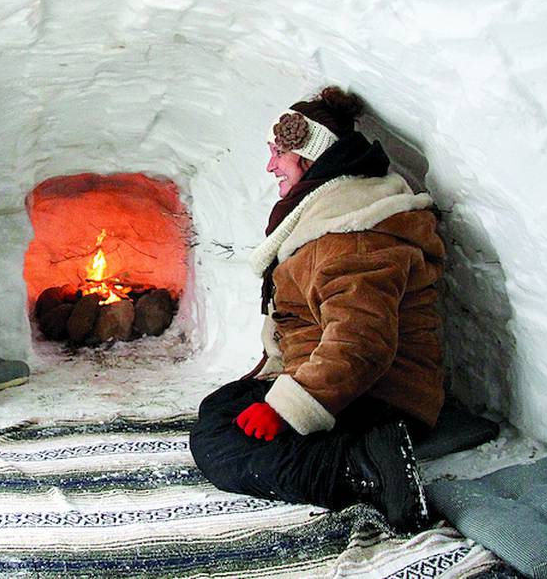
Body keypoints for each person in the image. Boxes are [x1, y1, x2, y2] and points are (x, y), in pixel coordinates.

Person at [189, 86, 446, 533]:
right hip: (348, 386)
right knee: (221, 408)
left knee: (219, 448)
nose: (270, 166)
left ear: (310, 157)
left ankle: (366, 470)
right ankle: (360, 454)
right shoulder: (335, 214)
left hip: (377, 396)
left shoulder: (355, 234)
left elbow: (360, 343)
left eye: (278, 154)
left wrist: (285, 409)